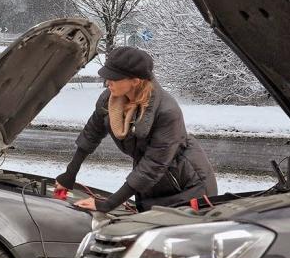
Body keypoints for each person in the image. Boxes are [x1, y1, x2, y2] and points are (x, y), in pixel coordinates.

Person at [54, 47, 217, 212]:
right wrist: (69, 175)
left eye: (114, 78)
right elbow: (91, 134)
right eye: (106, 76)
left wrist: (107, 205)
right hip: (151, 185)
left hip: (187, 188)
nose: (107, 82)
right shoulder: (109, 100)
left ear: (135, 81)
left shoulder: (167, 112)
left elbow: (152, 165)